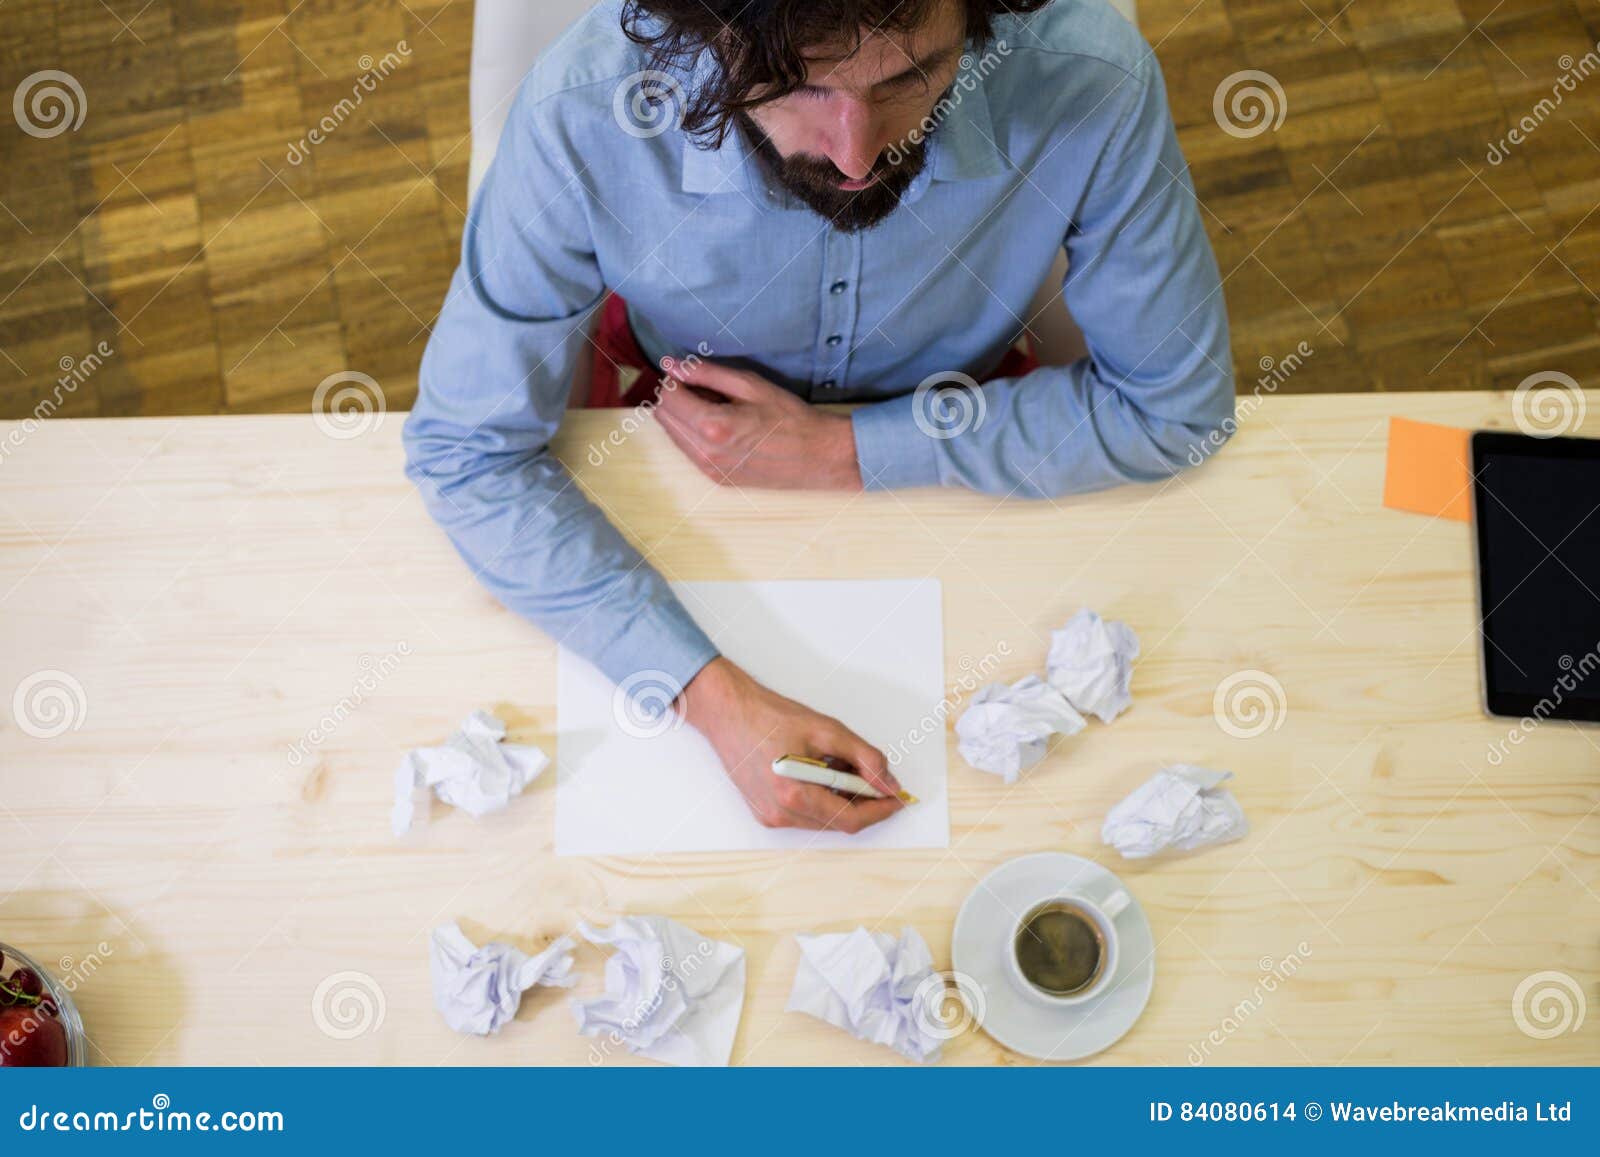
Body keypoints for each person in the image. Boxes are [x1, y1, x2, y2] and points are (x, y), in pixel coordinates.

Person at [403, 0, 1234, 834]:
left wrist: (844, 451)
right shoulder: (582, 109)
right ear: (708, 34)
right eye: (797, 87)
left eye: (914, 77)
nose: (858, 155)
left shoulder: (1091, 76)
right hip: (670, 429)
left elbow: (1176, 408)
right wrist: (714, 701)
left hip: (962, 437)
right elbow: (465, 451)